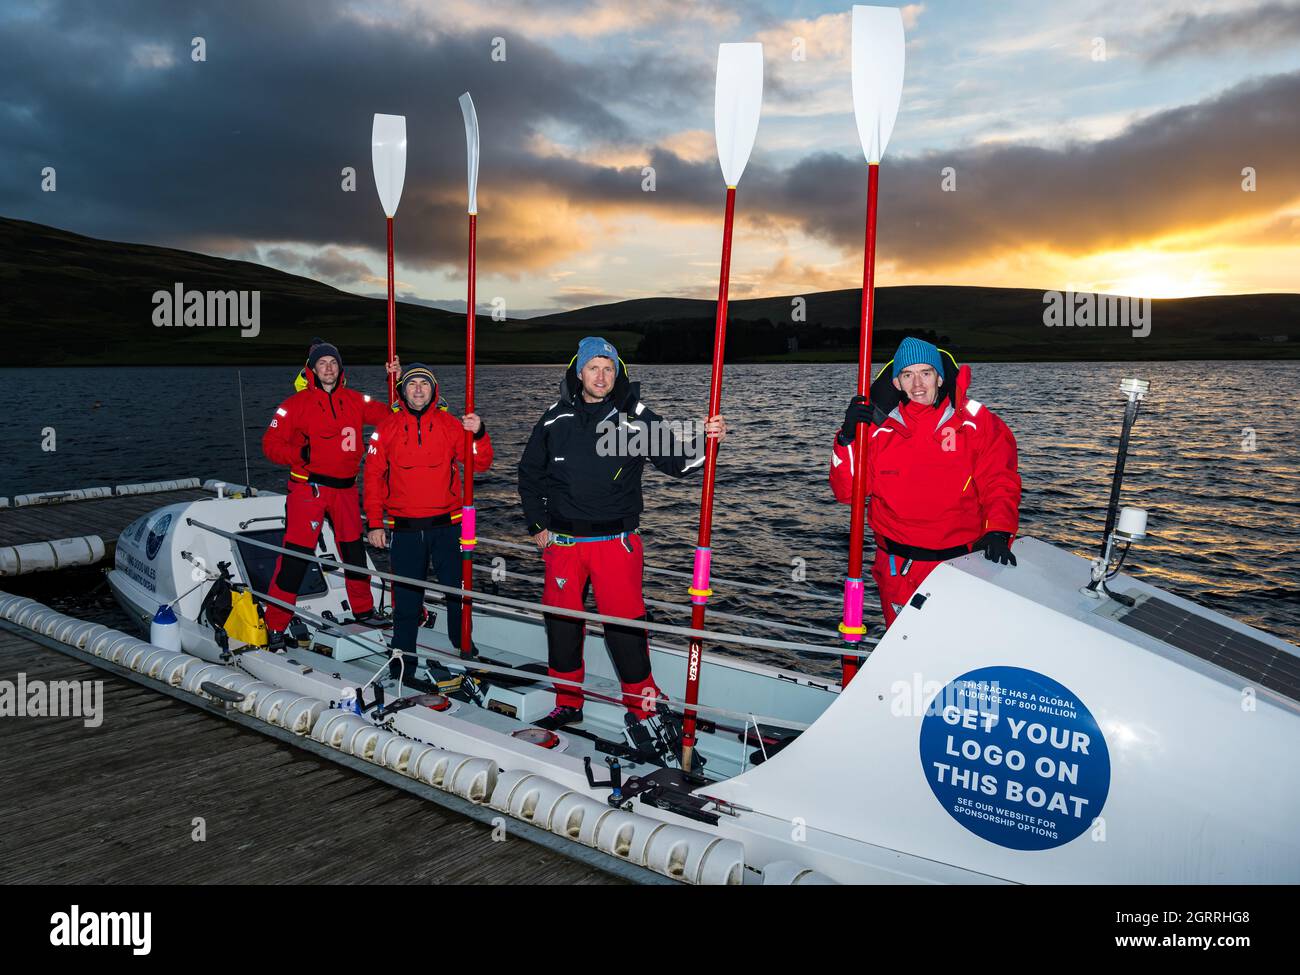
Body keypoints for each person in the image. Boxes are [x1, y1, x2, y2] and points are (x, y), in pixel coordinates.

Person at [518, 336, 726, 734]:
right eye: (594, 368)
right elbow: (530, 475)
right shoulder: (552, 418)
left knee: (626, 627)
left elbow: (680, 463)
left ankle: (644, 705)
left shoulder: (634, 417)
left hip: (616, 544)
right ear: (579, 373)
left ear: (618, 374)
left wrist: (707, 438)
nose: (601, 375)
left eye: (609, 369)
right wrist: (537, 524)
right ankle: (567, 703)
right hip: (562, 545)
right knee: (562, 627)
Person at [830, 336, 1021, 628]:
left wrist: (998, 529)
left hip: (962, 567)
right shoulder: (875, 429)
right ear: (896, 383)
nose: (917, 385)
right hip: (898, 570)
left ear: (940, 377)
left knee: (960, 649)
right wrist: (847, 439)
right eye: (907, 375)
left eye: (925, 373)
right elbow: (847, 493)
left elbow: (1000, 480)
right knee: (906, 648)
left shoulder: (977, 423)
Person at [261, 342, 397, 646]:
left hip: (346, 490)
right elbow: (270, 445)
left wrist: (394, 379)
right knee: (296, 557)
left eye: (332, 362)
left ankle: (363, 610)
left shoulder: (355, 400)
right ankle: (275, 623)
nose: (328, 368)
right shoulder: (294, 404)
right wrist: (301, 452)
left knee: (353, 552)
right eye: (321, 363)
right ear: (312, 369)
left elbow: (390, 415)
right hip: (308, 488)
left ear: (340, 367)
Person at [364, 363, 493, 680]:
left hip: (448, 527)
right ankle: (402, 657)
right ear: (402, 391)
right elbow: (372, 478)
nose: (418, 389)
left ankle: (463, 646)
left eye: (424, 383)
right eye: (412, 384)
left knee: (457, 593)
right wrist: (376, 523)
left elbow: (480, 464)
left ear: (434, 391)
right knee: (406, 599)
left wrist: (479, 432)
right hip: (405, 529)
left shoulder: (450, 425)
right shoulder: (387, 428)